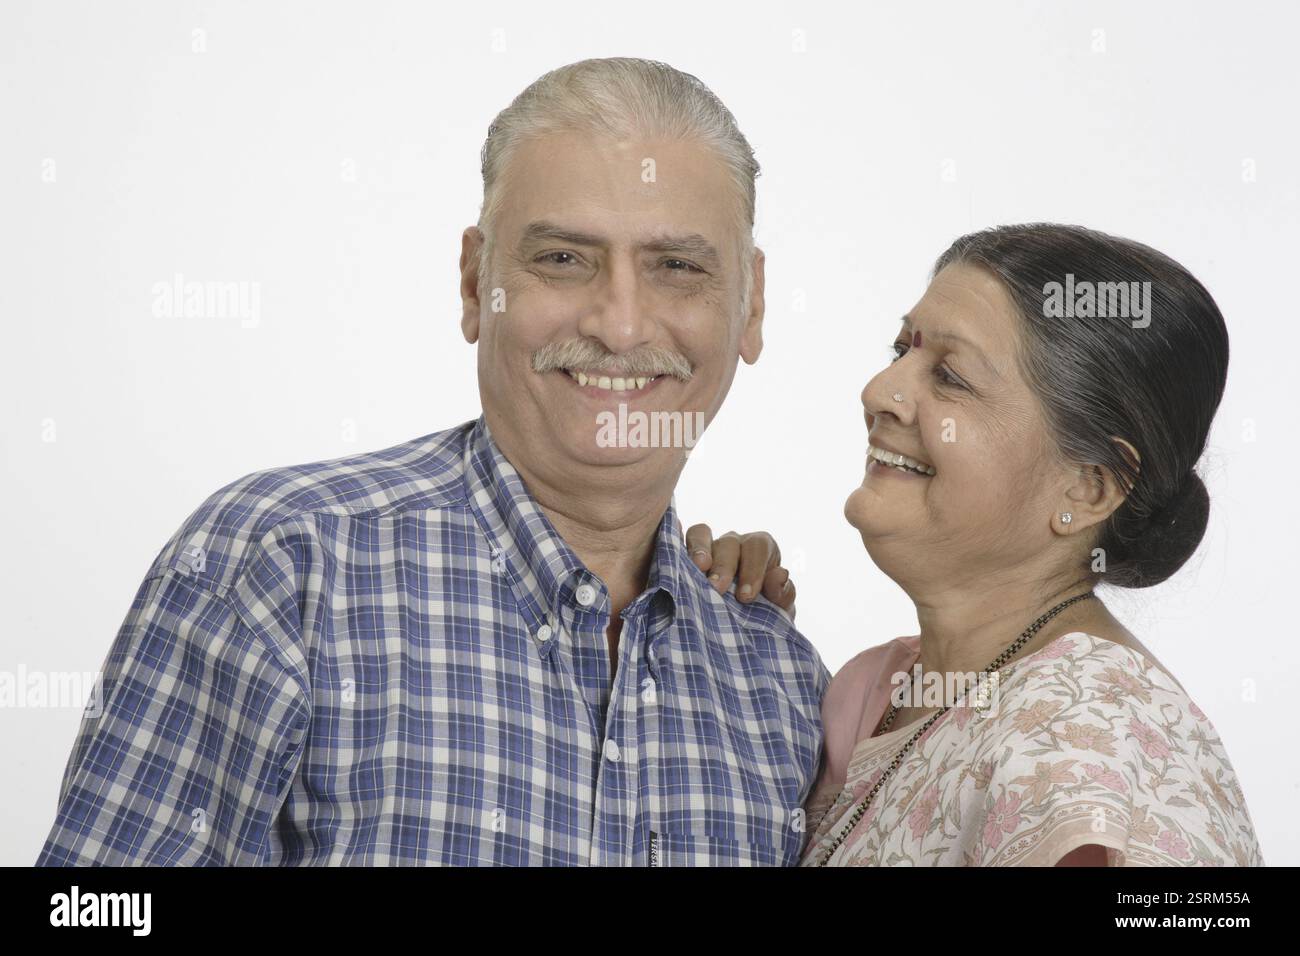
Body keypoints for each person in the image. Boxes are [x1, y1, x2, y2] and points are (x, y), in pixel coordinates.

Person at [36, 57, 824, 867]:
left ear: (750, 305)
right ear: (474, 282)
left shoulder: (782, 686)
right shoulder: (282, 570)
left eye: (678, 267)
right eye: (562, 258)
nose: (620, 326)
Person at [690, 223, 1265, 866]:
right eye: (900, 349)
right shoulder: (874, 693)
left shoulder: (1095, 735)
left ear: (1089, 487)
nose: (879, 393)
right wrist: (727, 632)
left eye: (951, 377)